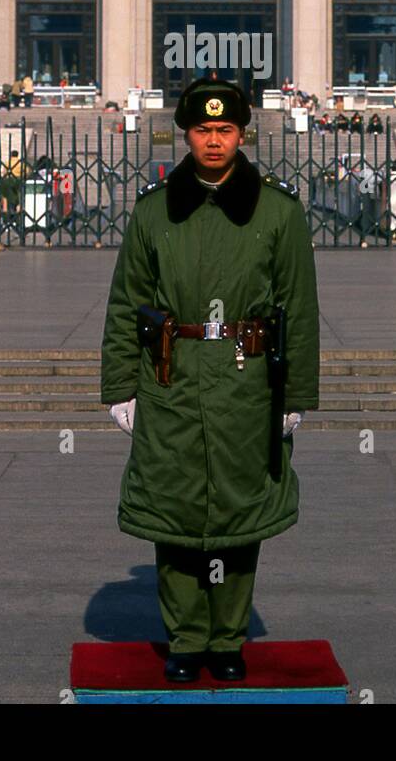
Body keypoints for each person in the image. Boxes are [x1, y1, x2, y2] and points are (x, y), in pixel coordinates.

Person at [100, 76, 320, 685]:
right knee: (173, 514)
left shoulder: (277, 212)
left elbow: (299, 308)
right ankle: (186, 637)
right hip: (170, 377)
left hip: (247, 382)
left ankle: (227, 636)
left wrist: (295, 394)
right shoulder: (153, 211)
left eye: (225, 131)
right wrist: (121, 387)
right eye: (203, 130)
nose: (215, 141)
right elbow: (126, 304)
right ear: (186, 135)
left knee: (237, 514)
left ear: (242, 134)